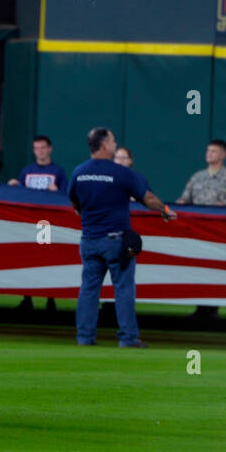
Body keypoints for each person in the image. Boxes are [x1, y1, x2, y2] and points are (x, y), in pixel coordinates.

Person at [69, 127, 176, 348]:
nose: (115, 145)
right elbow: (146, 198)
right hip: (115, 241)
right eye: (113, 141)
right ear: (105, 145)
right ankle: (127, 338)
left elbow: (74, 201)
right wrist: (164, 210)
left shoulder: (79, 172)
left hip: (89, 239)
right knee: (124, 289)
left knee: (89, 289)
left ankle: (84, 337)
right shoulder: (120, 173)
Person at [10, 135, 66, 312]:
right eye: (36, 148)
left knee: (48, 258)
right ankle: (27, 297)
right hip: (29, 222)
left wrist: (57, 192)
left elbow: (66, 197)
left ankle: (51, 298)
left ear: (50, 149)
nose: (40, 151)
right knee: (27, 257)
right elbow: (20, 196)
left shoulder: (58, 171)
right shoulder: (27, 171)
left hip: (48, 223)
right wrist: (14, 186)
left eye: (43, 147)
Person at [177, 139, 226, 206]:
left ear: (223, 155)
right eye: (208, 150)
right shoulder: (196, 177)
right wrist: (181, 202)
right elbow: (184, 199)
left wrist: (224, 204)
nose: (209, 153)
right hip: (197, 215)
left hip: (218, 215)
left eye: (213, 151)